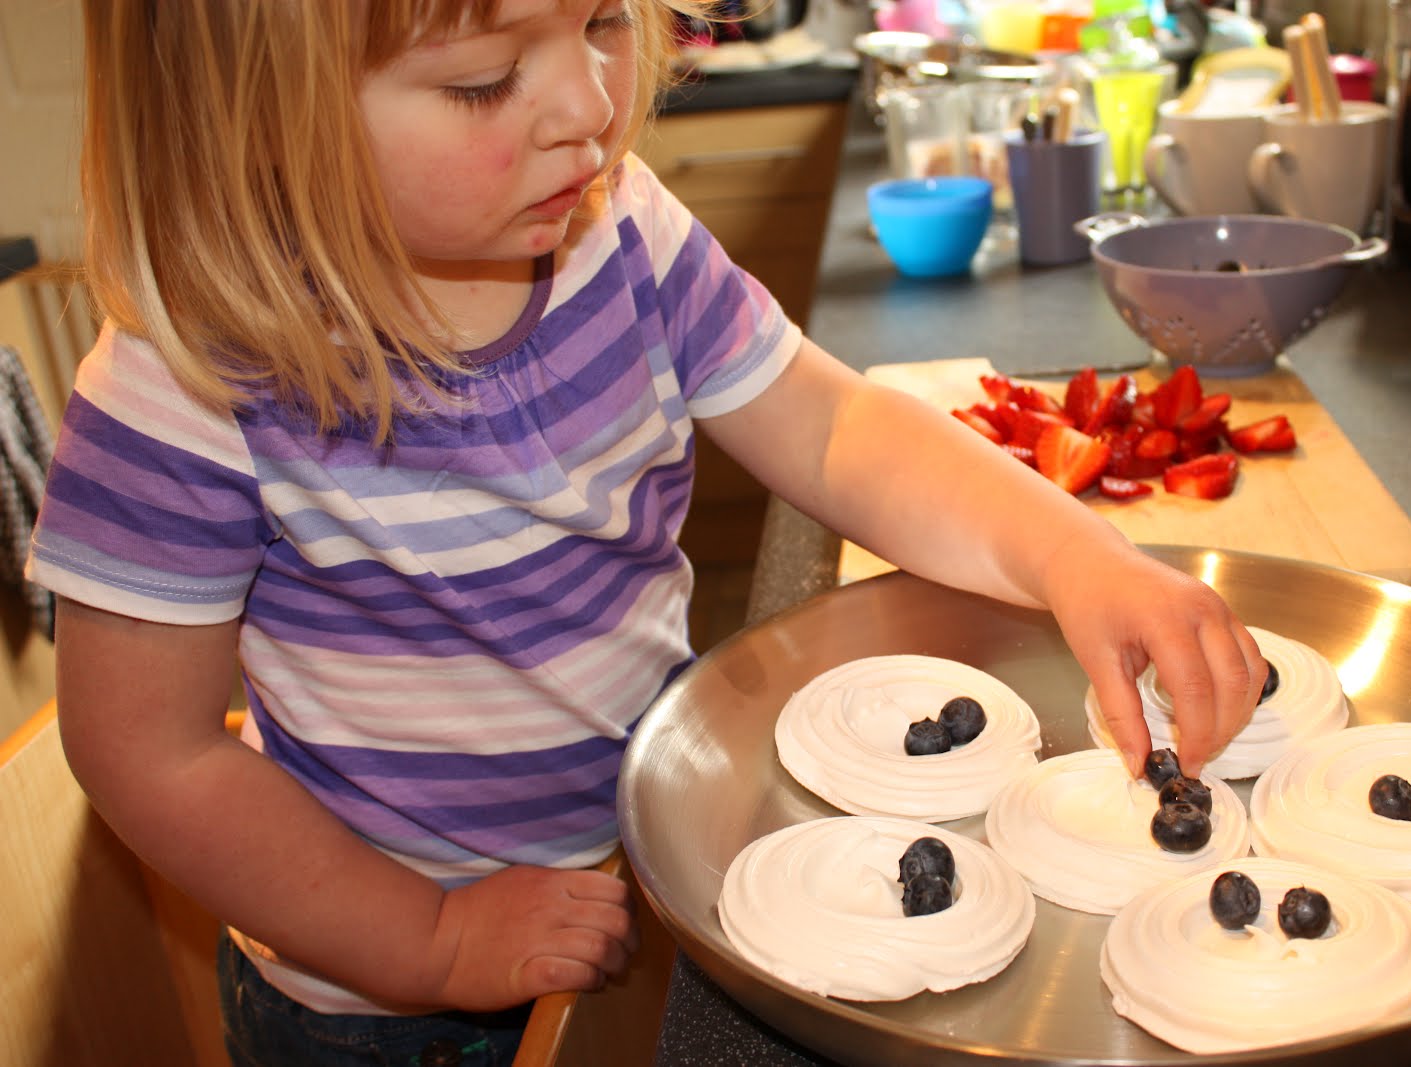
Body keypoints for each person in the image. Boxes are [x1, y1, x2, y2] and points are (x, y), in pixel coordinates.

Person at [31, 0, 1266, 1063]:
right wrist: (431, 936)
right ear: (252, 115)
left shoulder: (617, 229)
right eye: (485, 79)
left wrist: (1073, 554)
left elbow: (833, 428)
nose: (591, 101)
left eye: (602, 21)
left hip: (646, 878)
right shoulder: (186, 384)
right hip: (379, 1001)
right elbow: (153, 752)